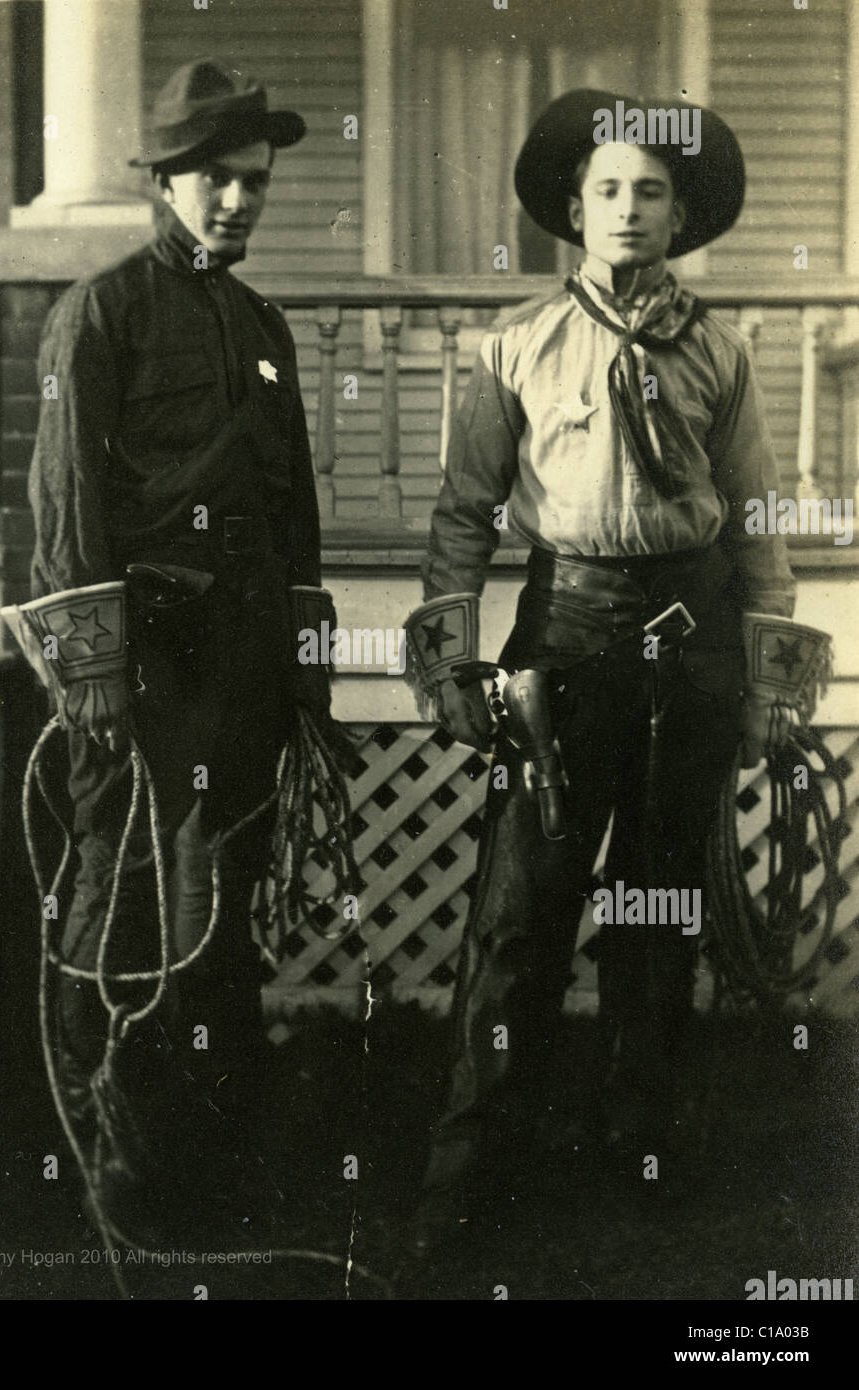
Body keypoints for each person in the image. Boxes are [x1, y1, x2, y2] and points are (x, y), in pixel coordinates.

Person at [404, 88, 809, 1250]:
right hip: (566, 637)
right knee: (521, 907)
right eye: (607, 190)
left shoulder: (719, 352)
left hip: (688, 640)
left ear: (679, 215)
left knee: (656, 900)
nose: (628, 209)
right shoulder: (514, 347)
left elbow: (756, 524)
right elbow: (461, 516)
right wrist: (450, 665)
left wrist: (768, 683)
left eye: (650, 192)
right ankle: (471, 1166)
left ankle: (638, 1140)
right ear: (571, 211)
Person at [26, 59, 333, 1243]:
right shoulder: (97, 314)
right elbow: (64, 515)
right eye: (213, 179)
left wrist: (304, 677)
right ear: (163, 180)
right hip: (143, 686)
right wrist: (92, 670)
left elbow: (293, 511)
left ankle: (203, 1167)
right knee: (127, 911)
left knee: (223, 916)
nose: (236, 201)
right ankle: (119, 1175)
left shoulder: (261, 328)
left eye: (253, 181)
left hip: (244, 682)